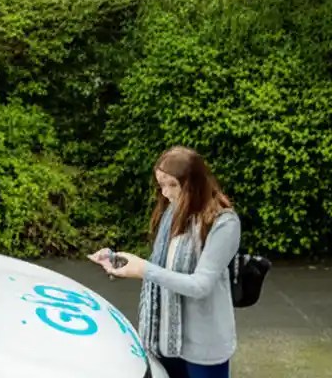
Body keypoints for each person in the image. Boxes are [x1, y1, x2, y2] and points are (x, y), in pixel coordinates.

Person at [88, 146, 241, 378]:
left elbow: (200, 285)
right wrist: (116, 259)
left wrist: (144, 269)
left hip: (203, 344)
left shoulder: (223, 223)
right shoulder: (174, 211)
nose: (166, 192)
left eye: (173, 185)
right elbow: (162, 264)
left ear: (193, 183)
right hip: (164, 338)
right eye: (161, 184)